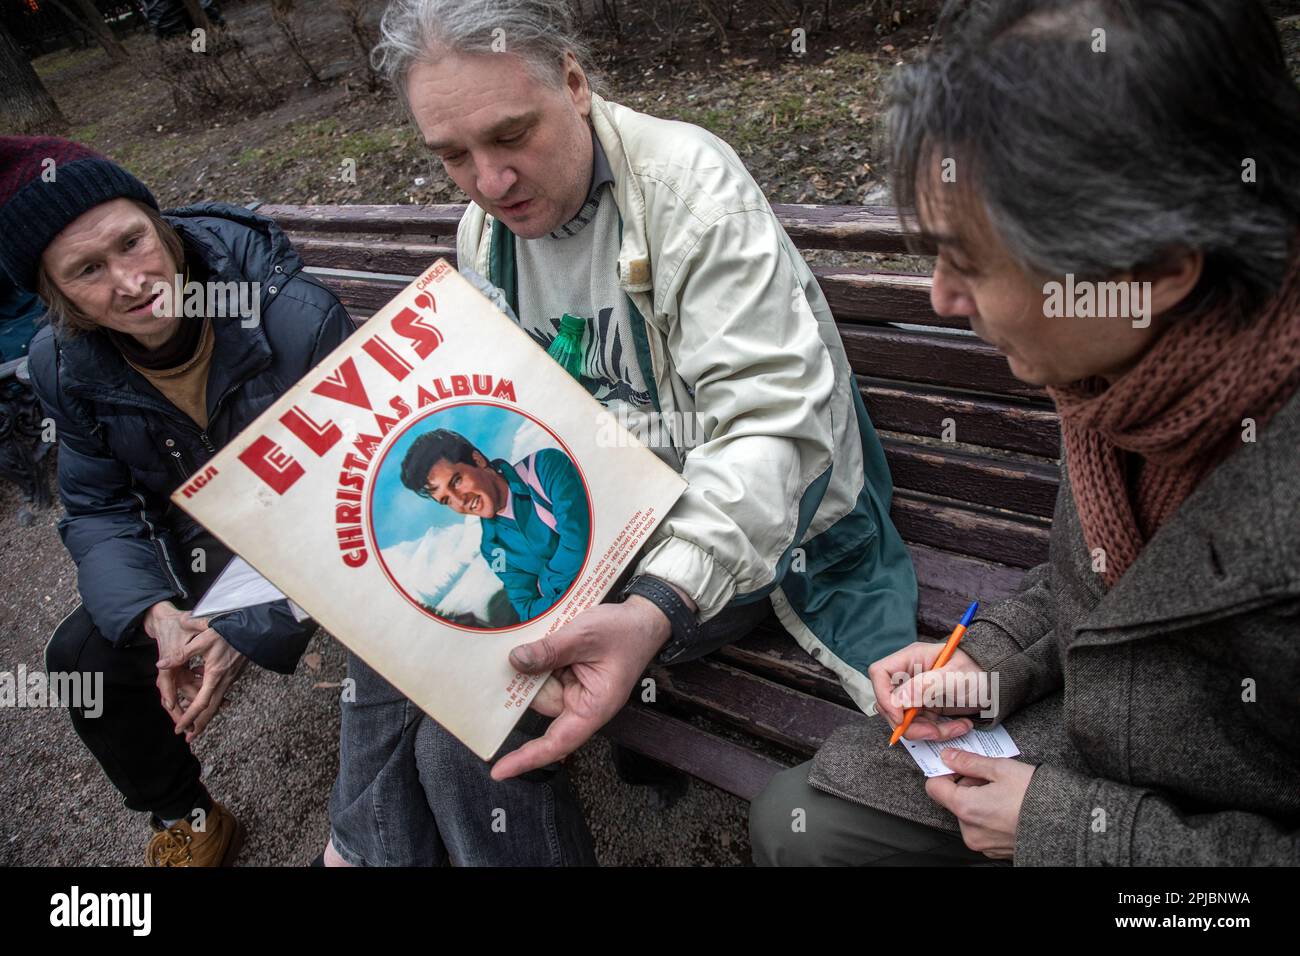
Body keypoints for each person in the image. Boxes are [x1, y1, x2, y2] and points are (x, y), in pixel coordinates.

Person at [318, 0, 919, 867]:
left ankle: (356, 849)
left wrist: (656, 605)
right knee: (433, 669)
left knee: (472, 717)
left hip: (749, 535)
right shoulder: (485, 236)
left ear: (574, 79)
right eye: (453, 156)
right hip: (610, 526)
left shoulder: (685, 188)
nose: (490, 181)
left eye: (511, 134)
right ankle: (365, 847)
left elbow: (770, 432)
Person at [750, 0, 1300, 866]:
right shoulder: (1125, 369)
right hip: (1099, 754)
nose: (938, 300)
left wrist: (1075, 835)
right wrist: (982, 665)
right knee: (805, 820)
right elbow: (1102, 587)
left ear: (1154, 267)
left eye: (968, 261)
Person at [1, 136, 356, 866]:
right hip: (203, 540)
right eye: (88, 272)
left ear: (160, 225)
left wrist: (246, 621)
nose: (131, 283)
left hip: (329, 522)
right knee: (82, 657)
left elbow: (358, 482)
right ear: (57, 296)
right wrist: (156, 615)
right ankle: (189, 818)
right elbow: (98, 510)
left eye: (132, 242)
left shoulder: (286, 314)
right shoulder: (62, 364)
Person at [400, 428, 590, 623]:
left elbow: (583, 544)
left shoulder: (545, 468)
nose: (459, 501)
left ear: (478, 460)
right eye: (446, 500)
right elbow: (527, 608)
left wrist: (545, 584)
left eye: (456, 481)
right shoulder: (492, 550)